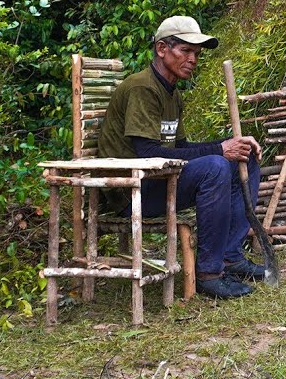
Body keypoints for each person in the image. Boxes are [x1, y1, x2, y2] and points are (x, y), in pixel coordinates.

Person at [98, 15, 266, 299]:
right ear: (162, 49)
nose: (192, 59)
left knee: (244, 158)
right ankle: (209, 274)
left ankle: (229, 257)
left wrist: (233, 145)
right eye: (185, 51)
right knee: (214, 166)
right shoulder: (142, 88)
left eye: (196, 54)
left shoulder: (172, 94)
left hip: (159, 180)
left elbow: (181, 148)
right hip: (131, 191)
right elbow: (148, 153)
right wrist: (218, 150)